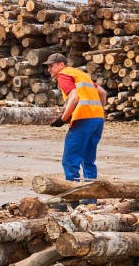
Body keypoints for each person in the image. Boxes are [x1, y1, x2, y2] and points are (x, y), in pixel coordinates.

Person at [44, 53, 107, 185]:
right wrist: (98, 110)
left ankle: (72, 197)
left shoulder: (64, 75)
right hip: (97, 120)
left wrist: (63, 118)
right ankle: (90, 199)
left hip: (83, 120)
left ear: (61, 65)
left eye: (51, 66)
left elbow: (74, 97)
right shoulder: (80, 74)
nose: (48, 69)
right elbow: (102, 92)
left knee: (70, 160)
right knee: (88, 160)